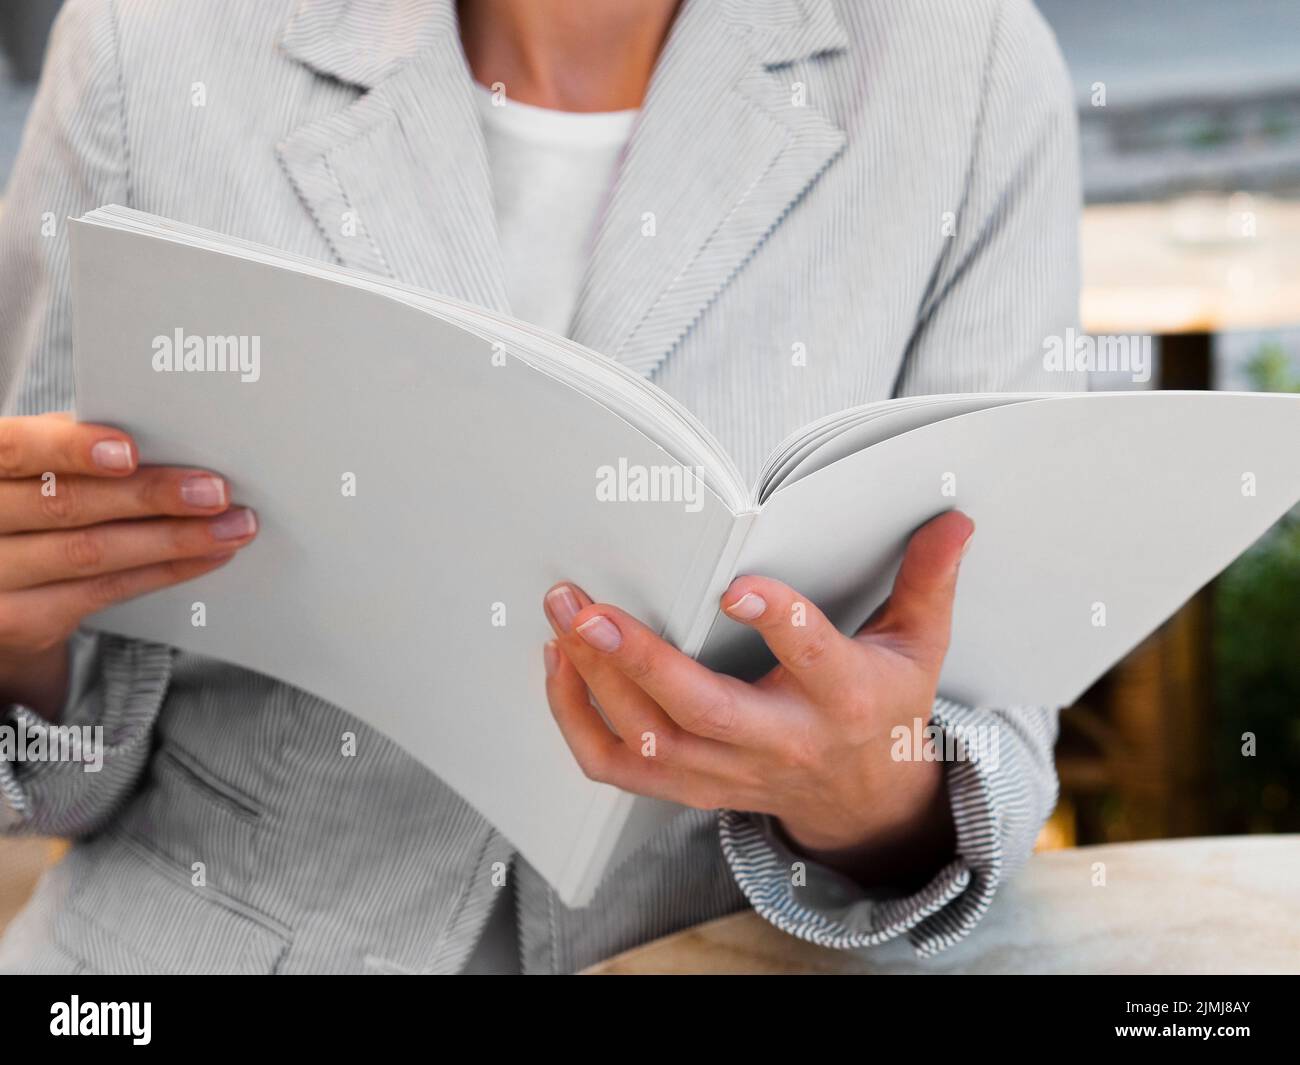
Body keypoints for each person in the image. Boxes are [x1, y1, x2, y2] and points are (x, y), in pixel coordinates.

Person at [0, 0, 1080, 974]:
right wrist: (21, 635)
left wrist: (860, 792)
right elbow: (53, 761)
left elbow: (989, 733)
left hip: (729, 952)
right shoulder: (150, 45)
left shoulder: (965, 66)